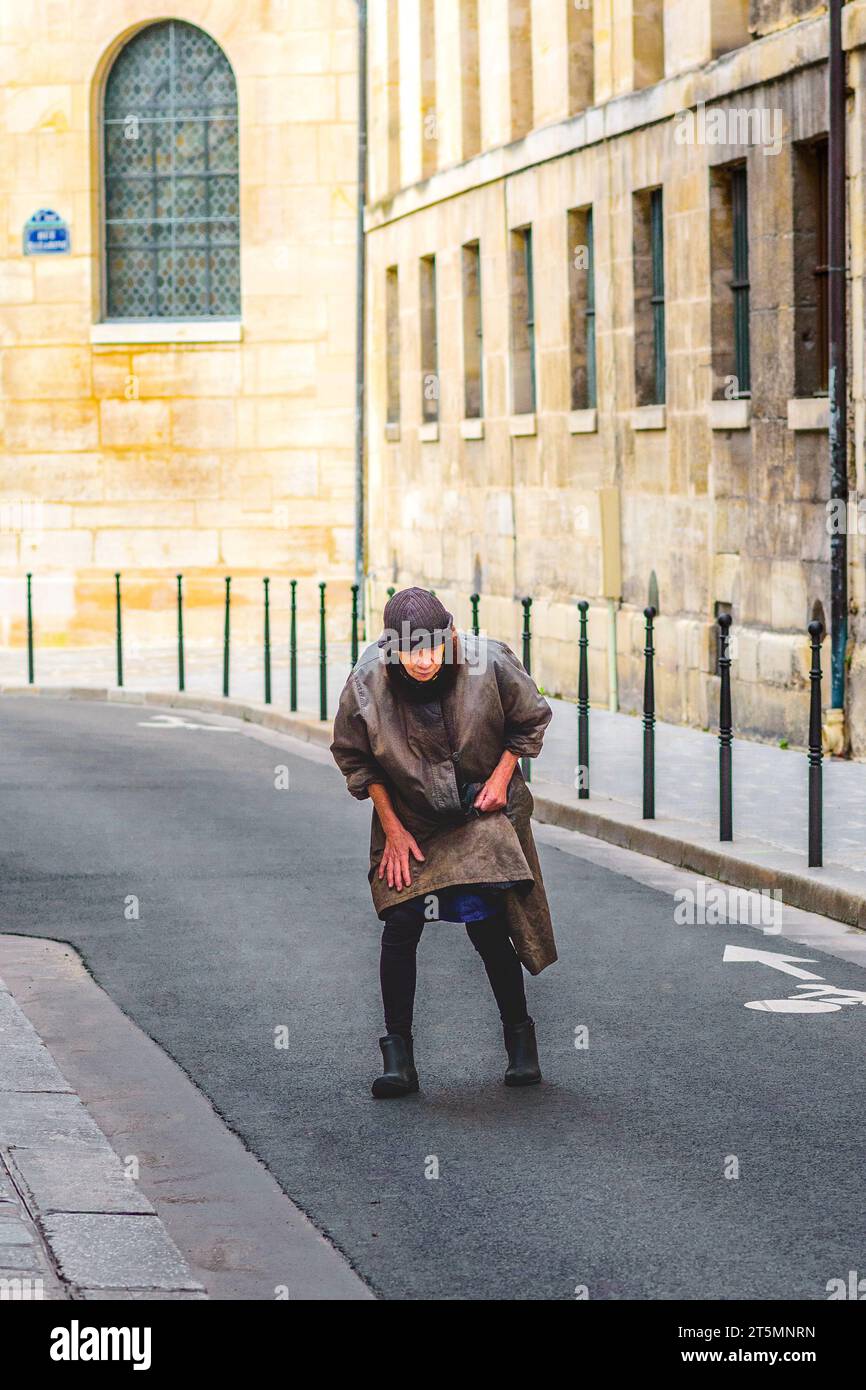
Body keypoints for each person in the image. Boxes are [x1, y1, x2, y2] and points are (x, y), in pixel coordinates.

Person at [330, 587, 557, 1098]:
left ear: (451, 636)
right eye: (412, 652)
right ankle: (399, 1060)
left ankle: (521, 1044)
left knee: (488, 922)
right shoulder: (365, 684)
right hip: (410, 817)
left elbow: (530, 723)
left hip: (481, 808)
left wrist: (501, 781)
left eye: (434, 647)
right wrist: (392, 829)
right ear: (391, 650)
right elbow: (357, 760)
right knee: (401, 918)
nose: (426, 660)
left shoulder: (489, 662)